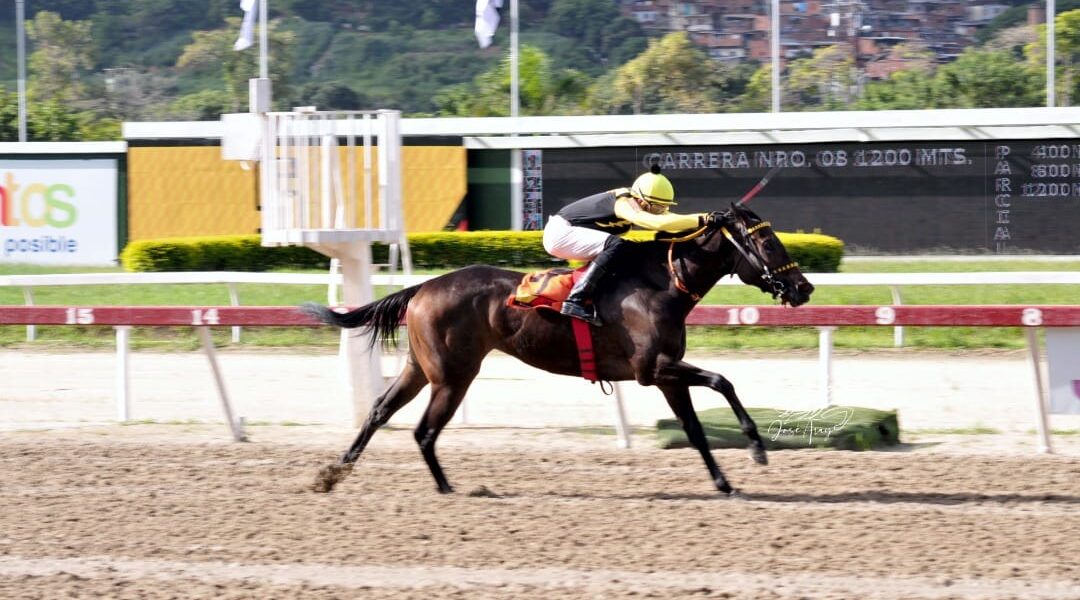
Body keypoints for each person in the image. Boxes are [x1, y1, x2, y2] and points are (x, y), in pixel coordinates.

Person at [542, 165, 717, 326]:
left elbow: (668, 219)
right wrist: (703, 218)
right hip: (559, 234)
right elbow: (655, 223)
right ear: (641, 201)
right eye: (657, 208)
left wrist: (707, 221)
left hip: (569, 233)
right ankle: (576, 300)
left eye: (664, 208)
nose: (661, 212)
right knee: (617, 244)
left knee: (630, 250)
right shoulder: (623, 203)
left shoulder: (638, 201)